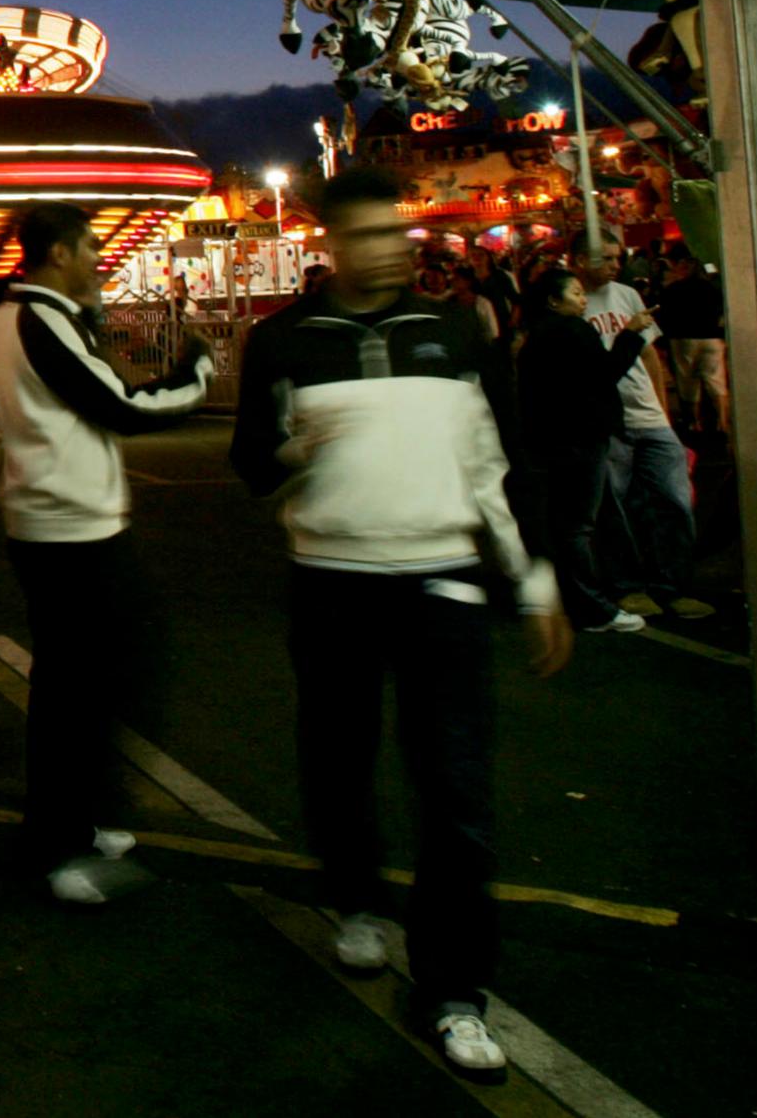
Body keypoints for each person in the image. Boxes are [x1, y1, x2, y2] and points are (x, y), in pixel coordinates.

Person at [231, 167, 571, 1082]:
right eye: (368, 233)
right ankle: (355, 901)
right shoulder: (282, 342)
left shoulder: (458, 330)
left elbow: (500, 461)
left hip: (442, 583)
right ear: (330, 243)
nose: (389, 247)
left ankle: (456, 991)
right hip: (330, 581)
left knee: (455, 790)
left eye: (397, 232)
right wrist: (298, 447)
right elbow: (252, 466)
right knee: (337, 753)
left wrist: (535, 585)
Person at [0, 202, 214, 906]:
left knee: (83, 679)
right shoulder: (38, 318)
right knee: (84, 684)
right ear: (56, 253)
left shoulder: (13, 316)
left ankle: (73, 822)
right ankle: (61, 843)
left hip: (60, 523)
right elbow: (119, 406)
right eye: (88, 248)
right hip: (70, 531)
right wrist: (197, 370)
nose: (97, 261)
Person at [574, 240, 711, 622]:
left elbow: (649, 353)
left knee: (675, 503)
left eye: (619, 257)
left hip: (649, 416)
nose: (617, 265)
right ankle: (628, 586)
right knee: (616, 511)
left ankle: (674, 587)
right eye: (608, 258)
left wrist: (664, 413)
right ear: (582, 259)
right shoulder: (571, 299)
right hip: (608, 421)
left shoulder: (628, 295)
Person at [514, 269, 654, 634]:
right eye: (576, 293)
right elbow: (605, 373)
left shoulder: (536, 336)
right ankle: (593, 609)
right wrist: (631, 332)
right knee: (576, 526)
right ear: (554, 301)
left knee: (568, 523)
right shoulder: (573, 330)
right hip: (580, 439)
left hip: (549, 441)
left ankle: (581, 599)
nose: (583, 299)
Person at [658, 250, 729, 437]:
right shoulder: (713, 289)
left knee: (688, 381)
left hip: (684, 339)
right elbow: (722, 313)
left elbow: (665, 316)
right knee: (716, 382)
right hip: (712, 338)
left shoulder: (674, 290)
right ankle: (722, 423)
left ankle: (694, 423)